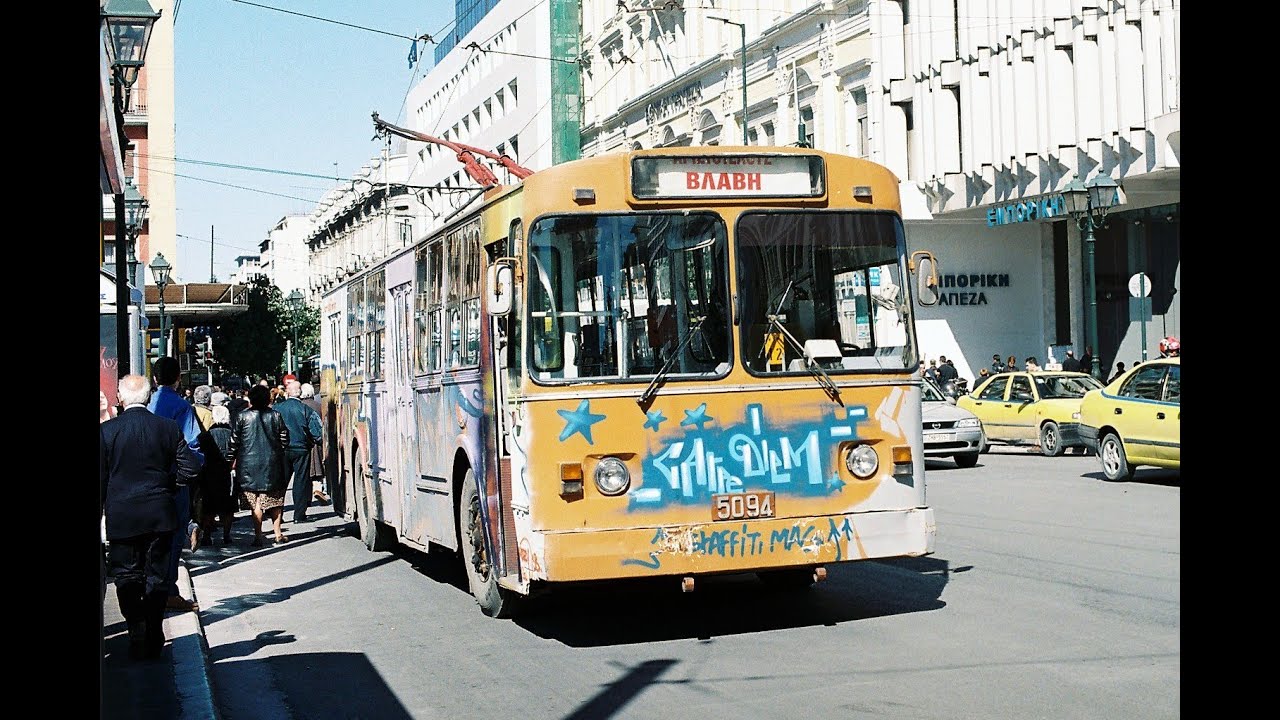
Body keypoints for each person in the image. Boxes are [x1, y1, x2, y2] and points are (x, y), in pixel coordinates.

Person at [101, 374, 202, 659]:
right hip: (159, 513)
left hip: (122, 514)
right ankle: (154, 627)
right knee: (156, 575)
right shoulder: (167, 429)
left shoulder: (108, 432)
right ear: (148, 397)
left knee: (126, 574)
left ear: (120, 398)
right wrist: (169, 485)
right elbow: (191, 468)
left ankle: (136, 626)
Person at [148, 356, 204, 612]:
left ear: (155, 378)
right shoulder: (182, 407)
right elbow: (193, 447)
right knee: (172, 537)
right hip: (174, 482)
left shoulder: (146, 405)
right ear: (178, 379)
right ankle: (168, 590)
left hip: (146, 480)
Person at [229, 384, 291, 546]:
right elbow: (284, 438)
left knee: (255, 502)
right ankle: (278, 533)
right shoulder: (275, 416)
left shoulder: (242, 417)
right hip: (271, 464)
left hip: (248, 466)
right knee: (275, 501)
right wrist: (278, 450)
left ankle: (258, 536)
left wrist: (230, 459)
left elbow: (234, 441)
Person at [276, 379, 324, 524]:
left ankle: (278, 515)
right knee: (301, 481)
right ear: (300, 393)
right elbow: (317, 432)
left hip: (282, 449)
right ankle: (299, 514)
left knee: (281, 483)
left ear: (287, 393)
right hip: (301, 448)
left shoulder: (277, 408)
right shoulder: (306, 410)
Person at [198, 404, 238, 546]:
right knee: (228, 507)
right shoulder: (233, 434)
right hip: (228, 474)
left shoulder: (206, 435)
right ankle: (226, 535)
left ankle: (207, 535)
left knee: (208, 506)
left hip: (209, 474)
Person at [300, 383, 329, 505]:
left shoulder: (300, 406)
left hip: (303, 442)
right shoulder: (319, 406)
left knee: (304, 471)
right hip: (317, 441)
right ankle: (318, 489)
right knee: (318, 467)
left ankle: (308, 496)